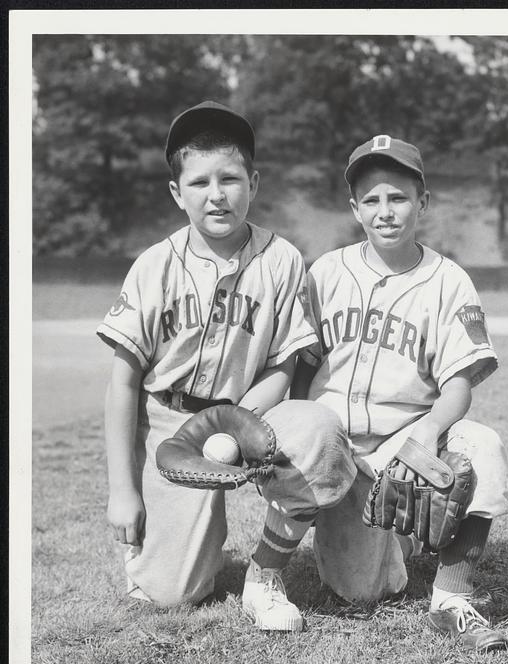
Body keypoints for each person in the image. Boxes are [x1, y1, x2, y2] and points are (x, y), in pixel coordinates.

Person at [97, 101, 354, 629]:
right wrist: (122, 491)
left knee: (319, 428)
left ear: (254, 184)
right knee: (172, 594)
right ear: (177, 193)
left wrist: (237, 422)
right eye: (199, 182)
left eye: (230, 178)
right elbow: (123, 383)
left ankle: (265, 573)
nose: (217, 194)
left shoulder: (281, 260)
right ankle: (177, 544)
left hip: (251, 412)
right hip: (170, 420)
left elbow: (285, 366)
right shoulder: (155, 265)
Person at [287, 135, 508, 651]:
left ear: (423, 202)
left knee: (483, 446)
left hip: (406, 438)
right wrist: (296, 438)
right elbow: (304, 367)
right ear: (354, 209)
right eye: (372, 200)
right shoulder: (326, 273)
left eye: (398, 197)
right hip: (337, 447)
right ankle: (405, 535)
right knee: (363, 590)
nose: (385, 212)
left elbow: (458, 383)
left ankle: (451, 600)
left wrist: (429, 434)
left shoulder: (449, 280)